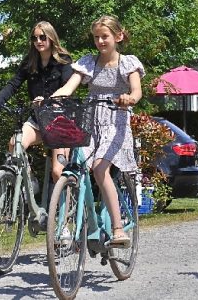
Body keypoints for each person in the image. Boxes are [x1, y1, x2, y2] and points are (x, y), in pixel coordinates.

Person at [51, 15, 143, 247]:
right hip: (91, 121)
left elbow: (137, 91)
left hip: (116, 122)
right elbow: (69, 87)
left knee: (100, 169)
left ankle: (118, 228)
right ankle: (73, 226)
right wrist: (51, 99)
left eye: (105, 36)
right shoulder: (89, 62)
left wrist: (128, 99)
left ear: (118, 36)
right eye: (96, 37)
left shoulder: (127, 63)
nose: (100, 41)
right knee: (75, 168)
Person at [0, 21, 74, 182]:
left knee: (57, 172)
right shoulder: (29, 62)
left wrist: (48, 100)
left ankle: (64, 206)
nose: (38, 41)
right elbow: (13, 84)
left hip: (60, 120)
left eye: (42, 37)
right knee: (14, 144)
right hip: (38, 118)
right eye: (34, 38)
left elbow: (68, 87)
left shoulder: (63, 61)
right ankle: (31, 180)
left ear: (51, 38)